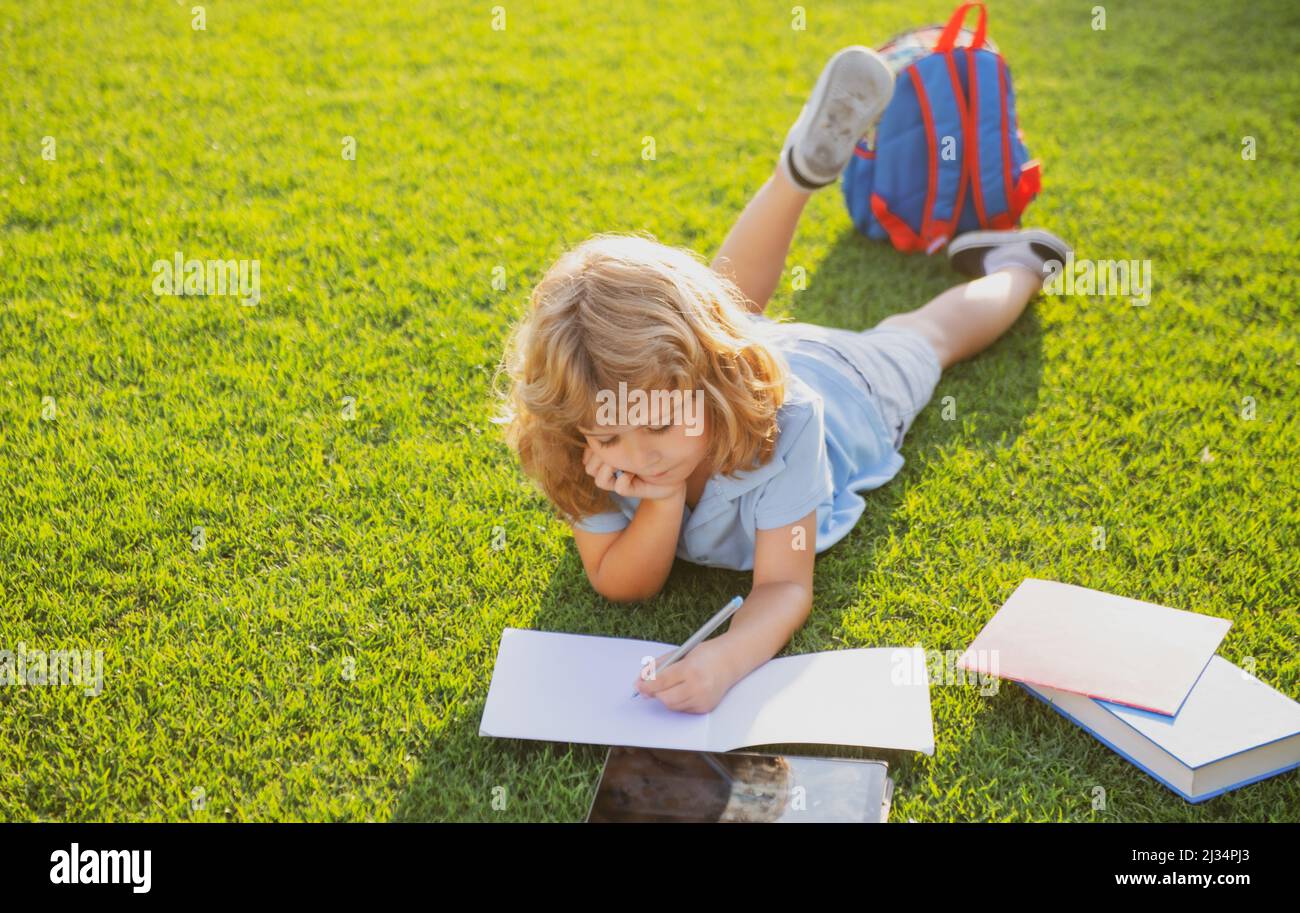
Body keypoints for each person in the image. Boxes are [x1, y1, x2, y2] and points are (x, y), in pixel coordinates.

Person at [496, 45, 1070, 714]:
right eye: (612, 437)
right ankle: (797, 171)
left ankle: (1022, 262)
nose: (638, 453)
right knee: (720, 312)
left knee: (928, 337)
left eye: (656, 424)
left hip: (848, 387)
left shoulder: (790, 423)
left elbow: (786, 586)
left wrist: (728, 657)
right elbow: (618, 580)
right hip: (728, 358)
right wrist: (662, 497)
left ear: (706, 384)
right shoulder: (577, 426)